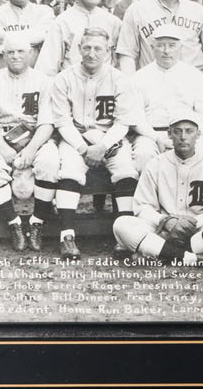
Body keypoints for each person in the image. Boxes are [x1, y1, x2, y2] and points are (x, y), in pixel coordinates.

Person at [46, 27, 143, 260]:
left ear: (108, 51)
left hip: (110, 138)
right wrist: (83, 148)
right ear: (79, 49)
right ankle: (67, 237)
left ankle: (124, 238)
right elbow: (62, 122)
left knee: (126, 171)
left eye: (98, 48)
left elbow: (123, 122)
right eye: (87, 47)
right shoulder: (64, 78)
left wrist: (102, 147)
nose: (91, 53)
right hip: (75, 138)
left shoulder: (119, 79)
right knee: (69, 170)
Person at [111, 112, 203, 266]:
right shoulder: (156, 163)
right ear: (169, 134)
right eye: (177, 131)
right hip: (163, 229)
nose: (183, 137)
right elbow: (142, 207)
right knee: (122, 224)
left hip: (198, 229)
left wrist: (194, 222)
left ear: (199, 134)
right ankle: (194, 259)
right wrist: (165, 221)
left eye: (189, 131)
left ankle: (160, 254)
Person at [0, 34, 61, 254]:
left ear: (30, 53)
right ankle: (15, 224)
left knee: (50, 162)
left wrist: (31, 150)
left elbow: (48, 122)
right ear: (3, 54)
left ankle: (37, 222)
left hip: (35, 137)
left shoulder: (45, 81)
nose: (16, 56)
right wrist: (3, 148)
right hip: (0, 137)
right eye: (10, 52)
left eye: (21, 51)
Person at [129, 26, 203, 174]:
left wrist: (189, 135)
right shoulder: (139, 77)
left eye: (171, 46)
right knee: (143, 155)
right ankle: (148, 196)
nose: (166, 51)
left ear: (180, 48)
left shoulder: (194, 75)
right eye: (160, 45)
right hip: (152, 134)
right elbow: (136, 118)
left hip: (189, 134)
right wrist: (156, 138)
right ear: (152, 47)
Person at [37, 0, 123, 76]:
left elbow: (121, 63)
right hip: (71, 86)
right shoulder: (63, 21)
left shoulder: (113, 22)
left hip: (104, 87)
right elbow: (48, 66)